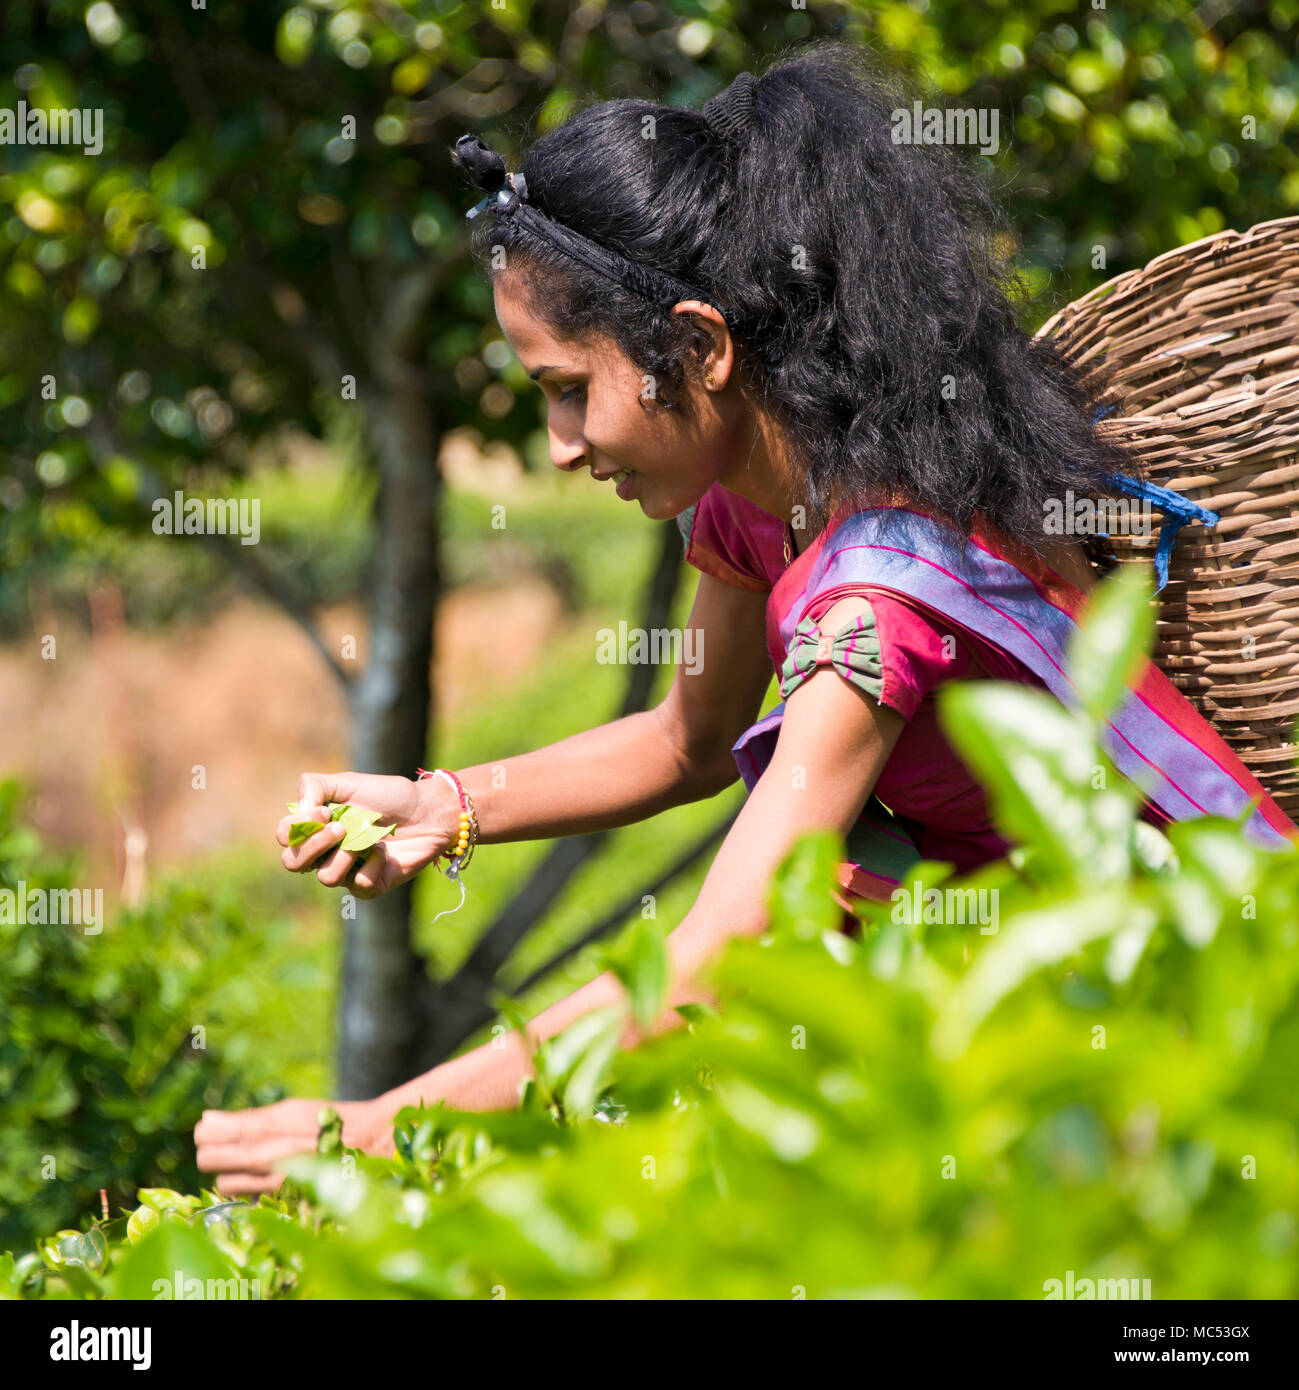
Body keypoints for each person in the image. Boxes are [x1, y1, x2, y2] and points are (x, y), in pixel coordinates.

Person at [196, 43, 1297, 1193]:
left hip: (1200, 1016)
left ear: (700, 347)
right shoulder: (760, 501)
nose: (562, 447)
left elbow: (713, 962)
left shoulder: (881, 593)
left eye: (572, 390)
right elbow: (686, 738)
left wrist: (369, 1128)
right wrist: (444, 804)